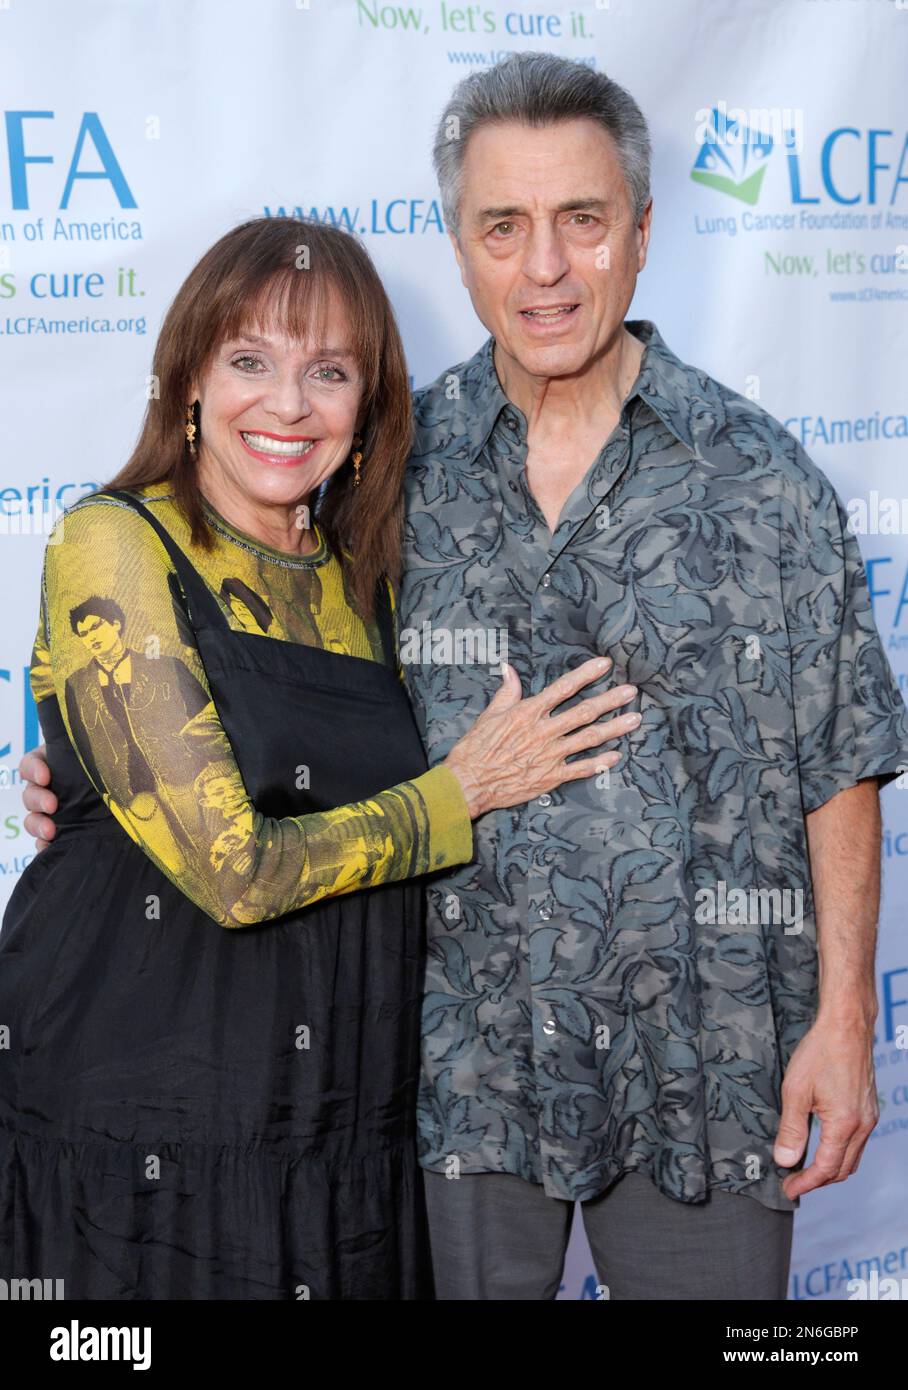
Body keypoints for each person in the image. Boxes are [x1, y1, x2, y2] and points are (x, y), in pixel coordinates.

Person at [2, 214, 638, 1300]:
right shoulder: (112, 539)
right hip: (149, 1103)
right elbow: (233, 869)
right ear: (188, 380)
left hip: (342, 1109)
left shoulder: (369, 574)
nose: (289, 405)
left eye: (329, 372)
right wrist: (458, 795)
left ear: (367, 406)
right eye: (250, 361)